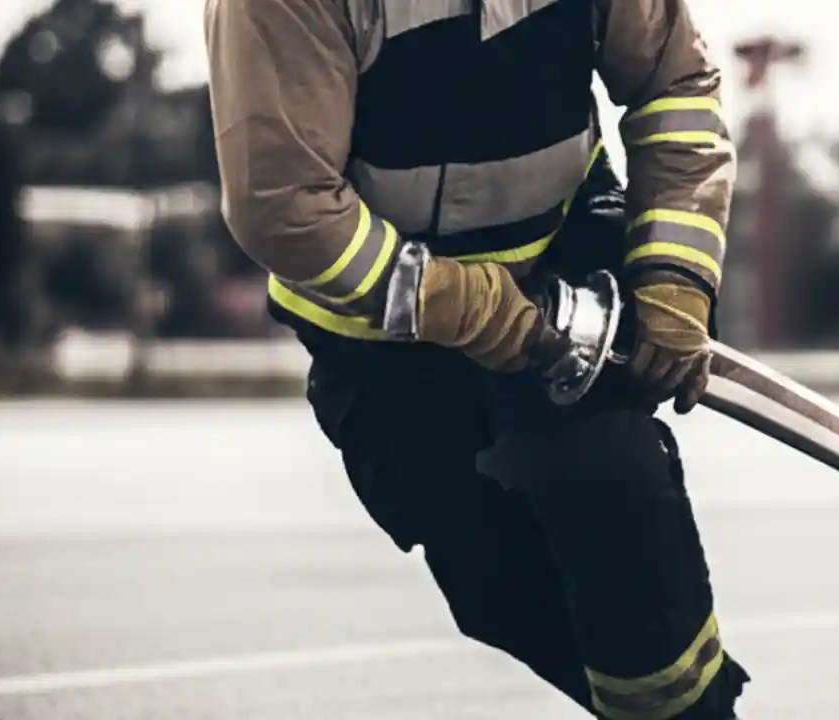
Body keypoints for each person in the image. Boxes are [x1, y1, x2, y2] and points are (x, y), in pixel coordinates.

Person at [204, 1, 747, 717]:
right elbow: (284, 204)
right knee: (498, 590)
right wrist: (470, 308)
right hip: (385, 332)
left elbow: (674, 85)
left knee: (614, 508)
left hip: (565, 265)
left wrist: (676, 278)